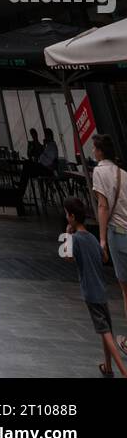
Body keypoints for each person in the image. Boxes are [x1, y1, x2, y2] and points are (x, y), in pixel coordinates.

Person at [64, 197, 127, 377]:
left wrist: (67, 234)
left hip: (90, 293)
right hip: (101, 290)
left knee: (105, 332)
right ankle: (108, 368)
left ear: (72, 217)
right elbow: (104, 258)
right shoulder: (91, 237)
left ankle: (123, 371)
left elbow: (66, 256)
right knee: (106, 329)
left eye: (66, 214)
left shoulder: (75, 239)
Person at [92, 134, 127, 356]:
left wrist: (102, 239)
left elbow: (103, 206)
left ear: (100, 150)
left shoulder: (99, 172)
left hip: (117, 234)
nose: (93, 152)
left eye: (94, 148)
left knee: (125, 290)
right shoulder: (123, 173)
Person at [17, 128, 59, 196]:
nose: (45, 137)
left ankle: (21, 186)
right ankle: (22, 185)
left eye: (46, 136)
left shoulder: (51, 146)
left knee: (27, 165)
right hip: (44, 168)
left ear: (49, 136)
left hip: (46, 169)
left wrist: (42, 153)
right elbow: (43, 158)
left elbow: (47, 160)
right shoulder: (48, 146)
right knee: (27, 165)